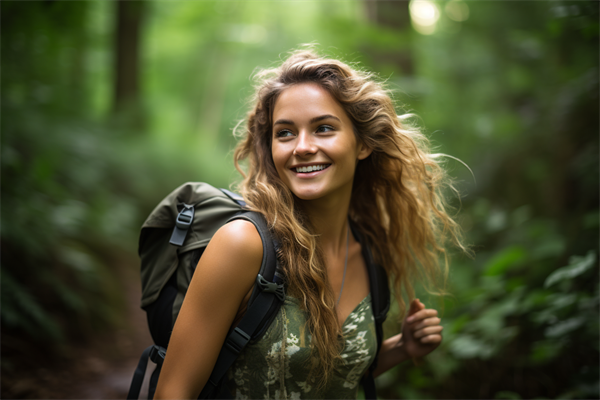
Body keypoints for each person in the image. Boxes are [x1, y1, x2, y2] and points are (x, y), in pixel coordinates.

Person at [154, 48, 466, 400]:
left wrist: (399, 349)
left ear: (362, 143)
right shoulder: (243, 245)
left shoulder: (370, 252)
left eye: (323, 128)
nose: (302, 147)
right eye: (285, 133)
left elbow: (327, 379)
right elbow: (172, 392)